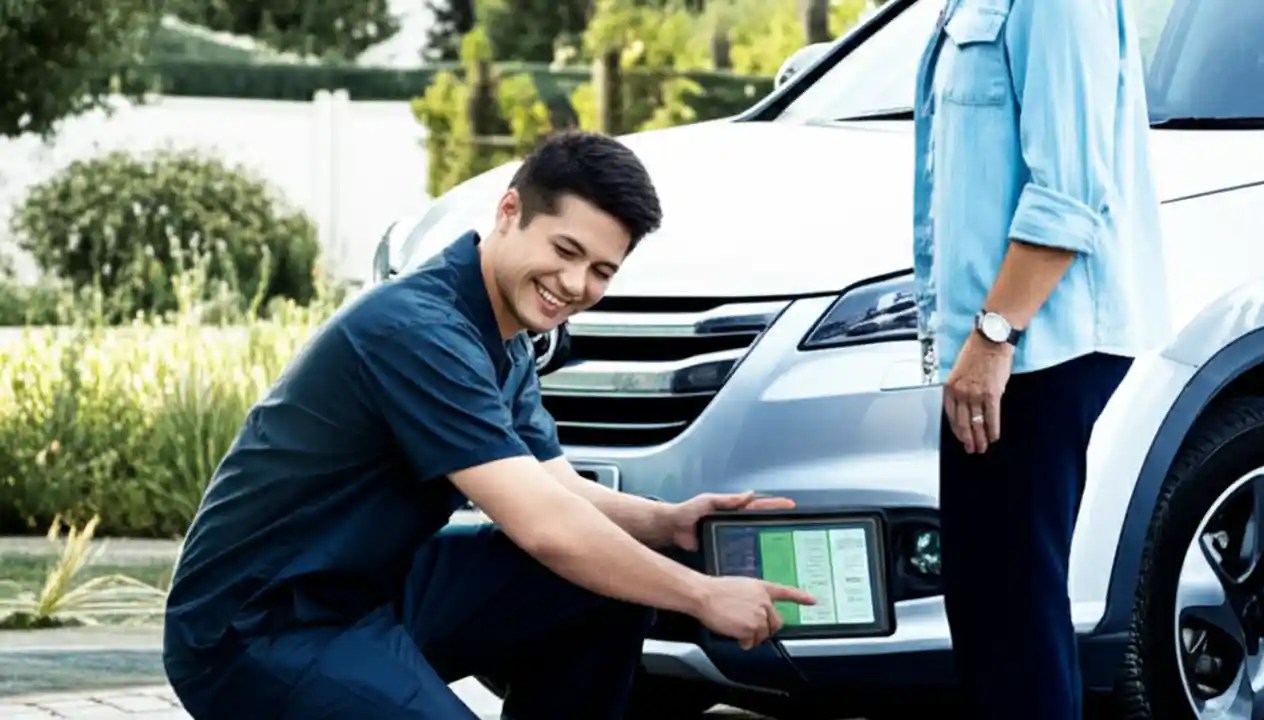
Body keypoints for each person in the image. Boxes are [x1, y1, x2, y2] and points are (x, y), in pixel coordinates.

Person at [162, 130, 817, 720]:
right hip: (257, 628)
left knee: (608, 586)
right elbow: (544, 526)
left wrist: (665, 523)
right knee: (587, 562)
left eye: (601, 271)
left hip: (377, 585)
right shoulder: (417, 331)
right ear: (509, 213)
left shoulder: (505, 334)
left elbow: (556, 490)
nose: (574, 283)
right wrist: (702, 595)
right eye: (565, 250)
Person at [911, 0, 1168, 717]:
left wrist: (995, 336)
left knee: (1013, 605)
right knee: (990, 596)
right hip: (1003, 342)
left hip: (1040, 343)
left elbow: (1069, 191)